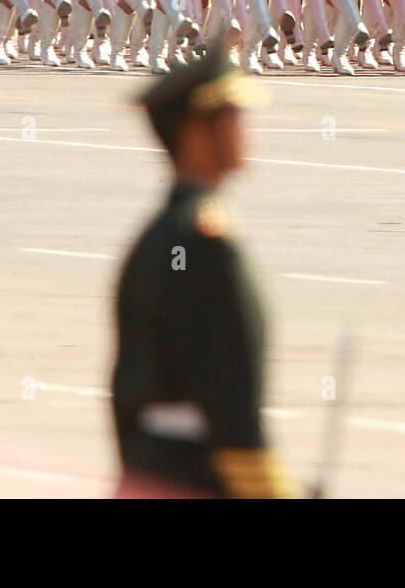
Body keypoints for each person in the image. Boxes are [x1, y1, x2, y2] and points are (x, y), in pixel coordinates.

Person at [112, 42, 293, 498]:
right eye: (232, 118)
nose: (244, 129)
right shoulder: (209, 245)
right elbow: (233, 404)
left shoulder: (153, 237)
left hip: (148, 472)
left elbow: (124, 392)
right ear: (197, 131)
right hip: (202, 475)